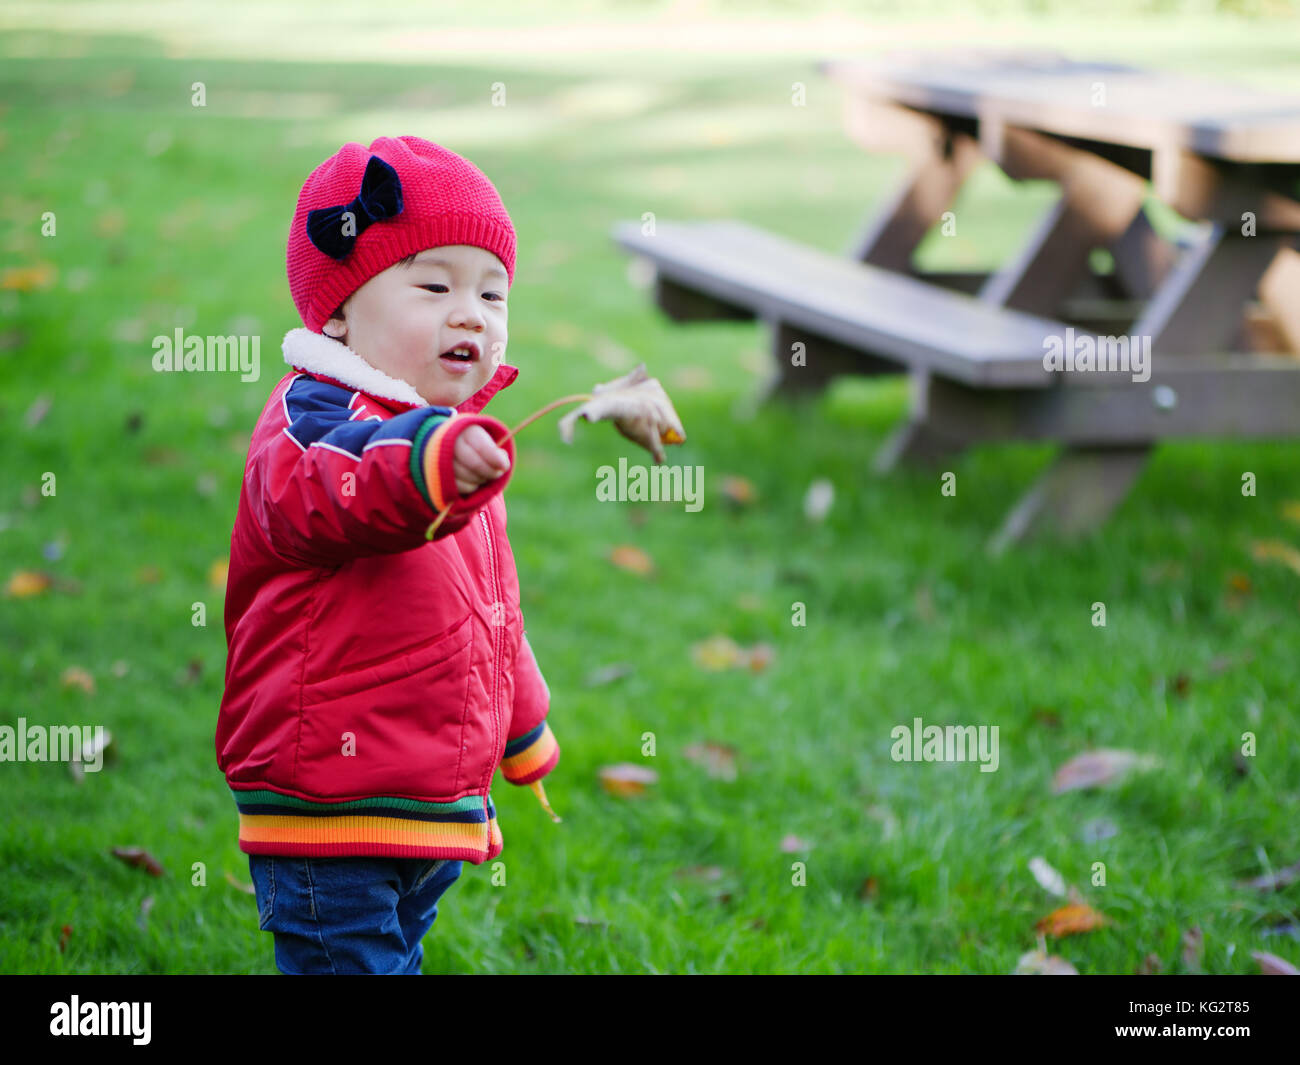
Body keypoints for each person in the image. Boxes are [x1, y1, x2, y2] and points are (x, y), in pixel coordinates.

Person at [215, 136, 559, 975]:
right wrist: (430, 460)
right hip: (329, 801)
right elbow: (344, 494)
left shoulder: (447, 442)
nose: (471, 312)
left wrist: (523, 724)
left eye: (491, 291)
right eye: (434, 285)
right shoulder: (313, 424)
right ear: (337, 312)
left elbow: (490, 611)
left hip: (427, 801)